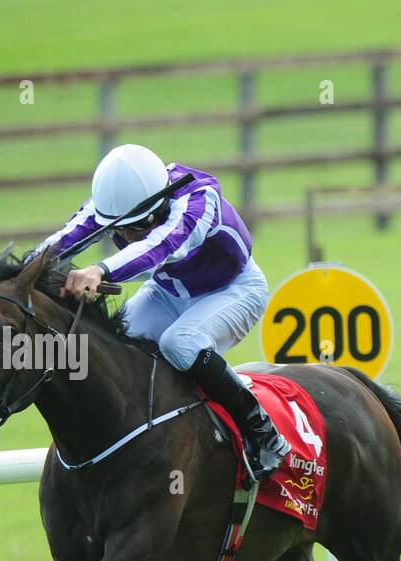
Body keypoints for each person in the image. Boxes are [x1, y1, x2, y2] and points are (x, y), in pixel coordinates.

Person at [29, 143, 289, 481]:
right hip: (168, 291)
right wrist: (19, 272)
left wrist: (99, 270)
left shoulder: (199, 201)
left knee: (179, 343)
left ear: (159, 206)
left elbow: (160, 247)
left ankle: (261, 431)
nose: (124, 235)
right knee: (118, 346)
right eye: (118, 230)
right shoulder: (118, 203)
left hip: (234, 290)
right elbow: (69, 236)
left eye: (132, 228)